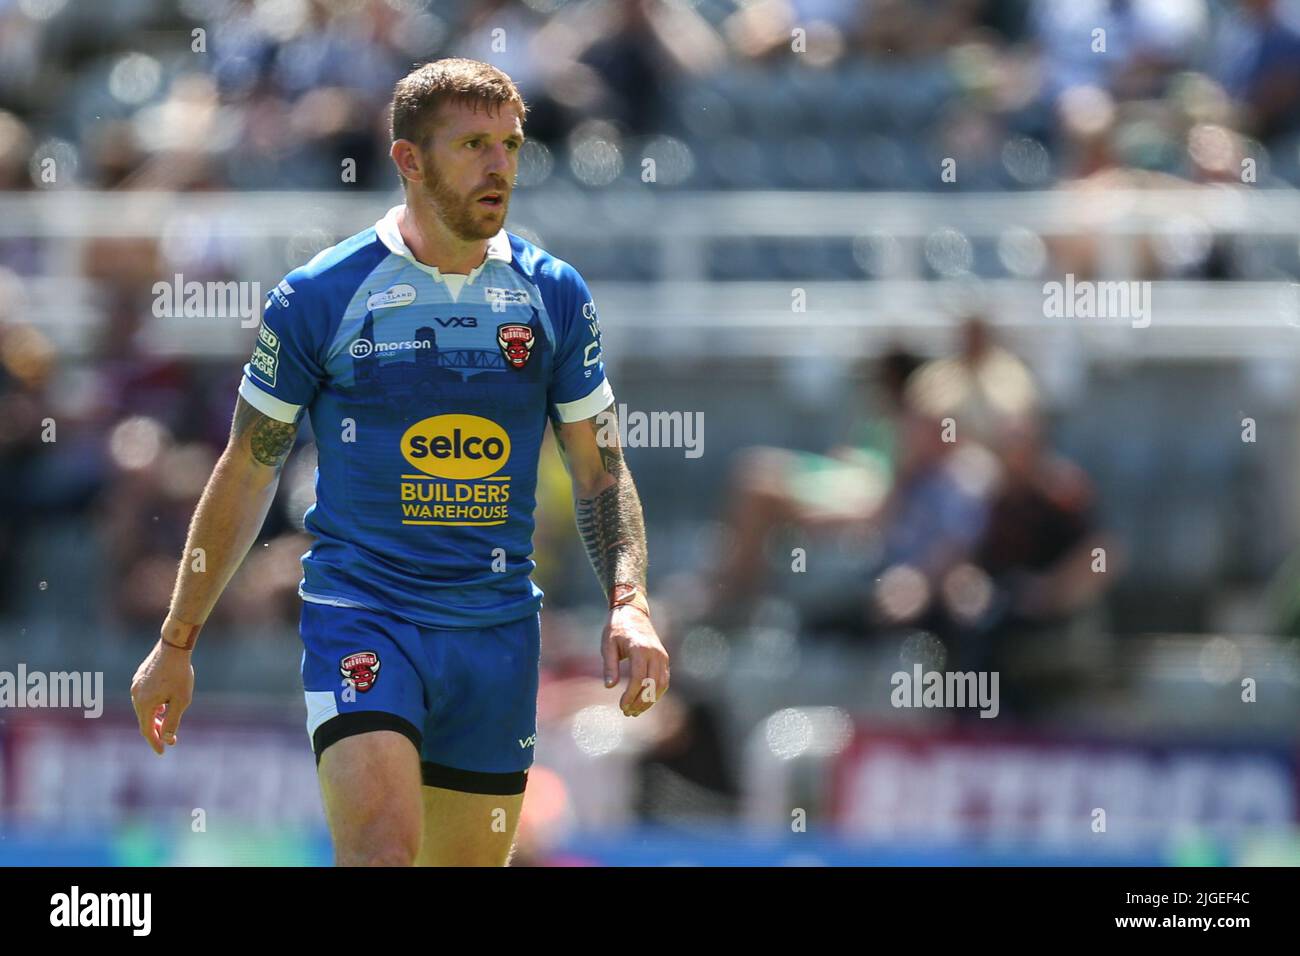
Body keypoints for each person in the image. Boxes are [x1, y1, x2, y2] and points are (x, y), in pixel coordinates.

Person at [129, 58, 669, 866]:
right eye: (474, 145)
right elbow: (248, 467)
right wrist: (177, 642)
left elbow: (600, 471)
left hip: (495, 632)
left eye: (512, 146)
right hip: (365, 614)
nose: (499, 166)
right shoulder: (320, 295)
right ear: (409, 160)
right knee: (381, 855)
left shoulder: (554, 297)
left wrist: (630, 601)